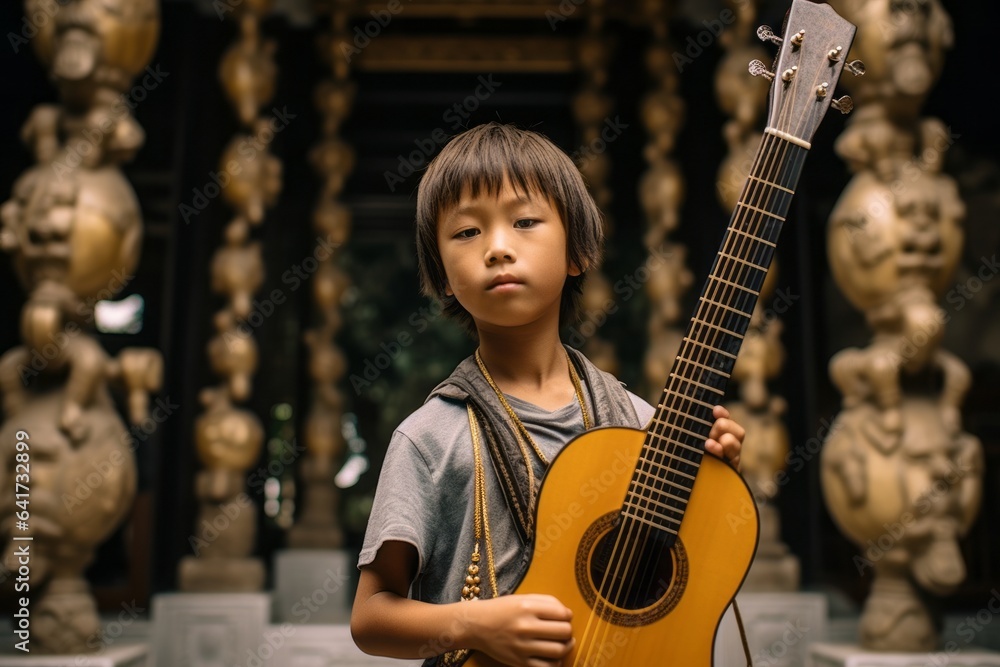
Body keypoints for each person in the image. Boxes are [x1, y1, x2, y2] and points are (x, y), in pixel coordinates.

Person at [351, 122, 747, 667]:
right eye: (467, 232)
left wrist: (712, 476)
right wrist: (474, 624)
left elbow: (690, 571)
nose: (497, 248)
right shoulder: (429, 438)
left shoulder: (643, 426)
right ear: (443, 276)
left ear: (577, 253)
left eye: (525, 222)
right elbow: (371, 620)